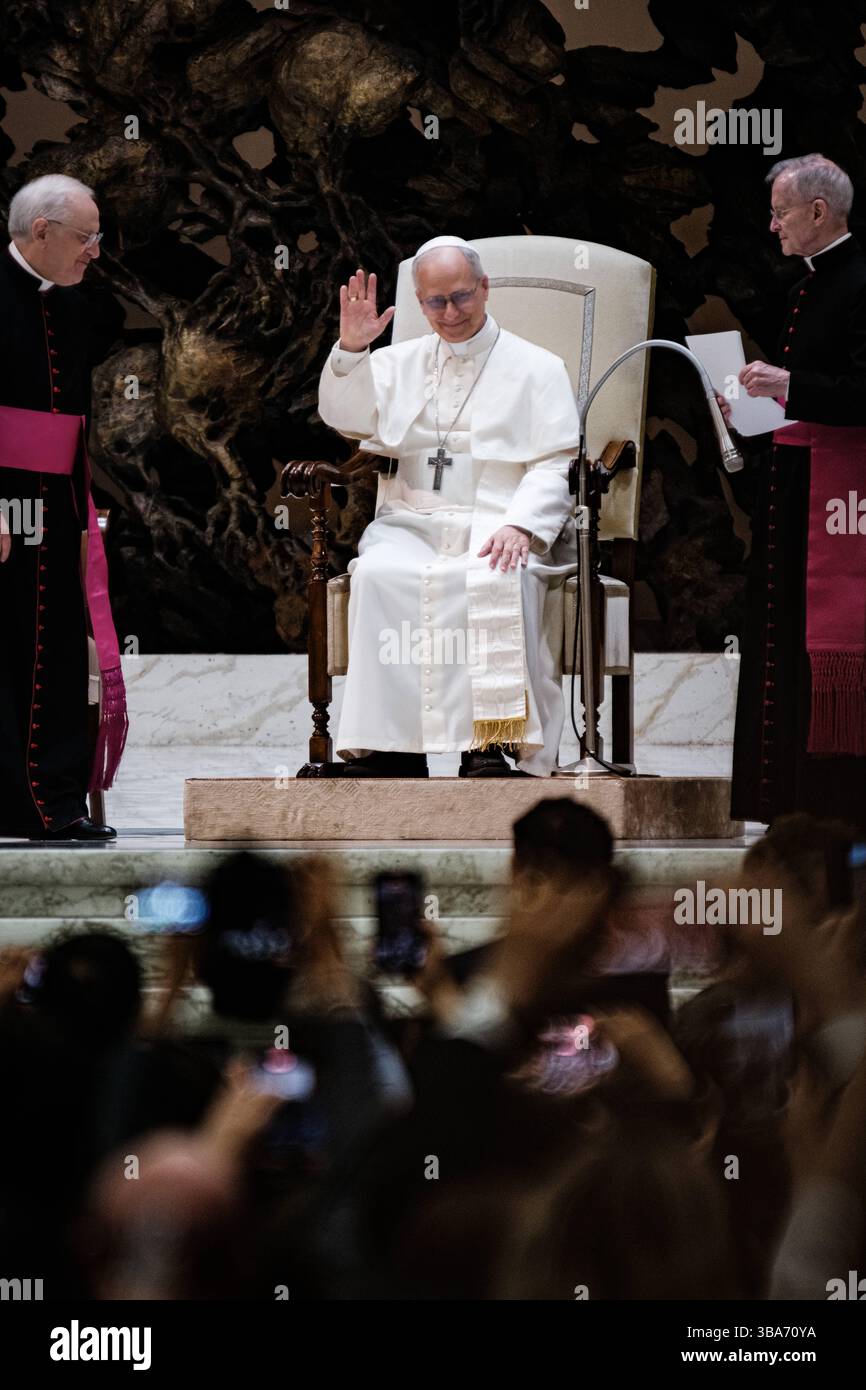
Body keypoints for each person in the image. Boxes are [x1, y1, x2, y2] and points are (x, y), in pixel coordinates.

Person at [317, 235, 580, 777]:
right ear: (419, 301)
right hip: (411, 521)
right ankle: (390, 748)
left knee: (492, 576)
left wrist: (521, 525)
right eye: (435, 302)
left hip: (497, 522)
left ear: (484, 288)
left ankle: (487, 744)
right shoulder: (396, 363)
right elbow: (348, 419)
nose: (450, 313)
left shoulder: (538, 368)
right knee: (380, 575)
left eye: (461, 297)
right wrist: (351, 350)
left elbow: (554, 463)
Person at [729, 154, 866, 831]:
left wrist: (785, 387)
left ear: (818, 212)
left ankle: (829, 807)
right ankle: (784, 804)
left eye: (782, 212)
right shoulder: (805, 286)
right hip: (795, 490)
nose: (773, 225)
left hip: (837, 504)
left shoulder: (861, 282)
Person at [0, 173, 126, 841]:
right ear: (41, 232)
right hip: (4, 503)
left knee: (53, 650)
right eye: (86, 237)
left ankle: (57, 802)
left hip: (58, 499)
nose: (95, 252)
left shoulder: (78, 307)